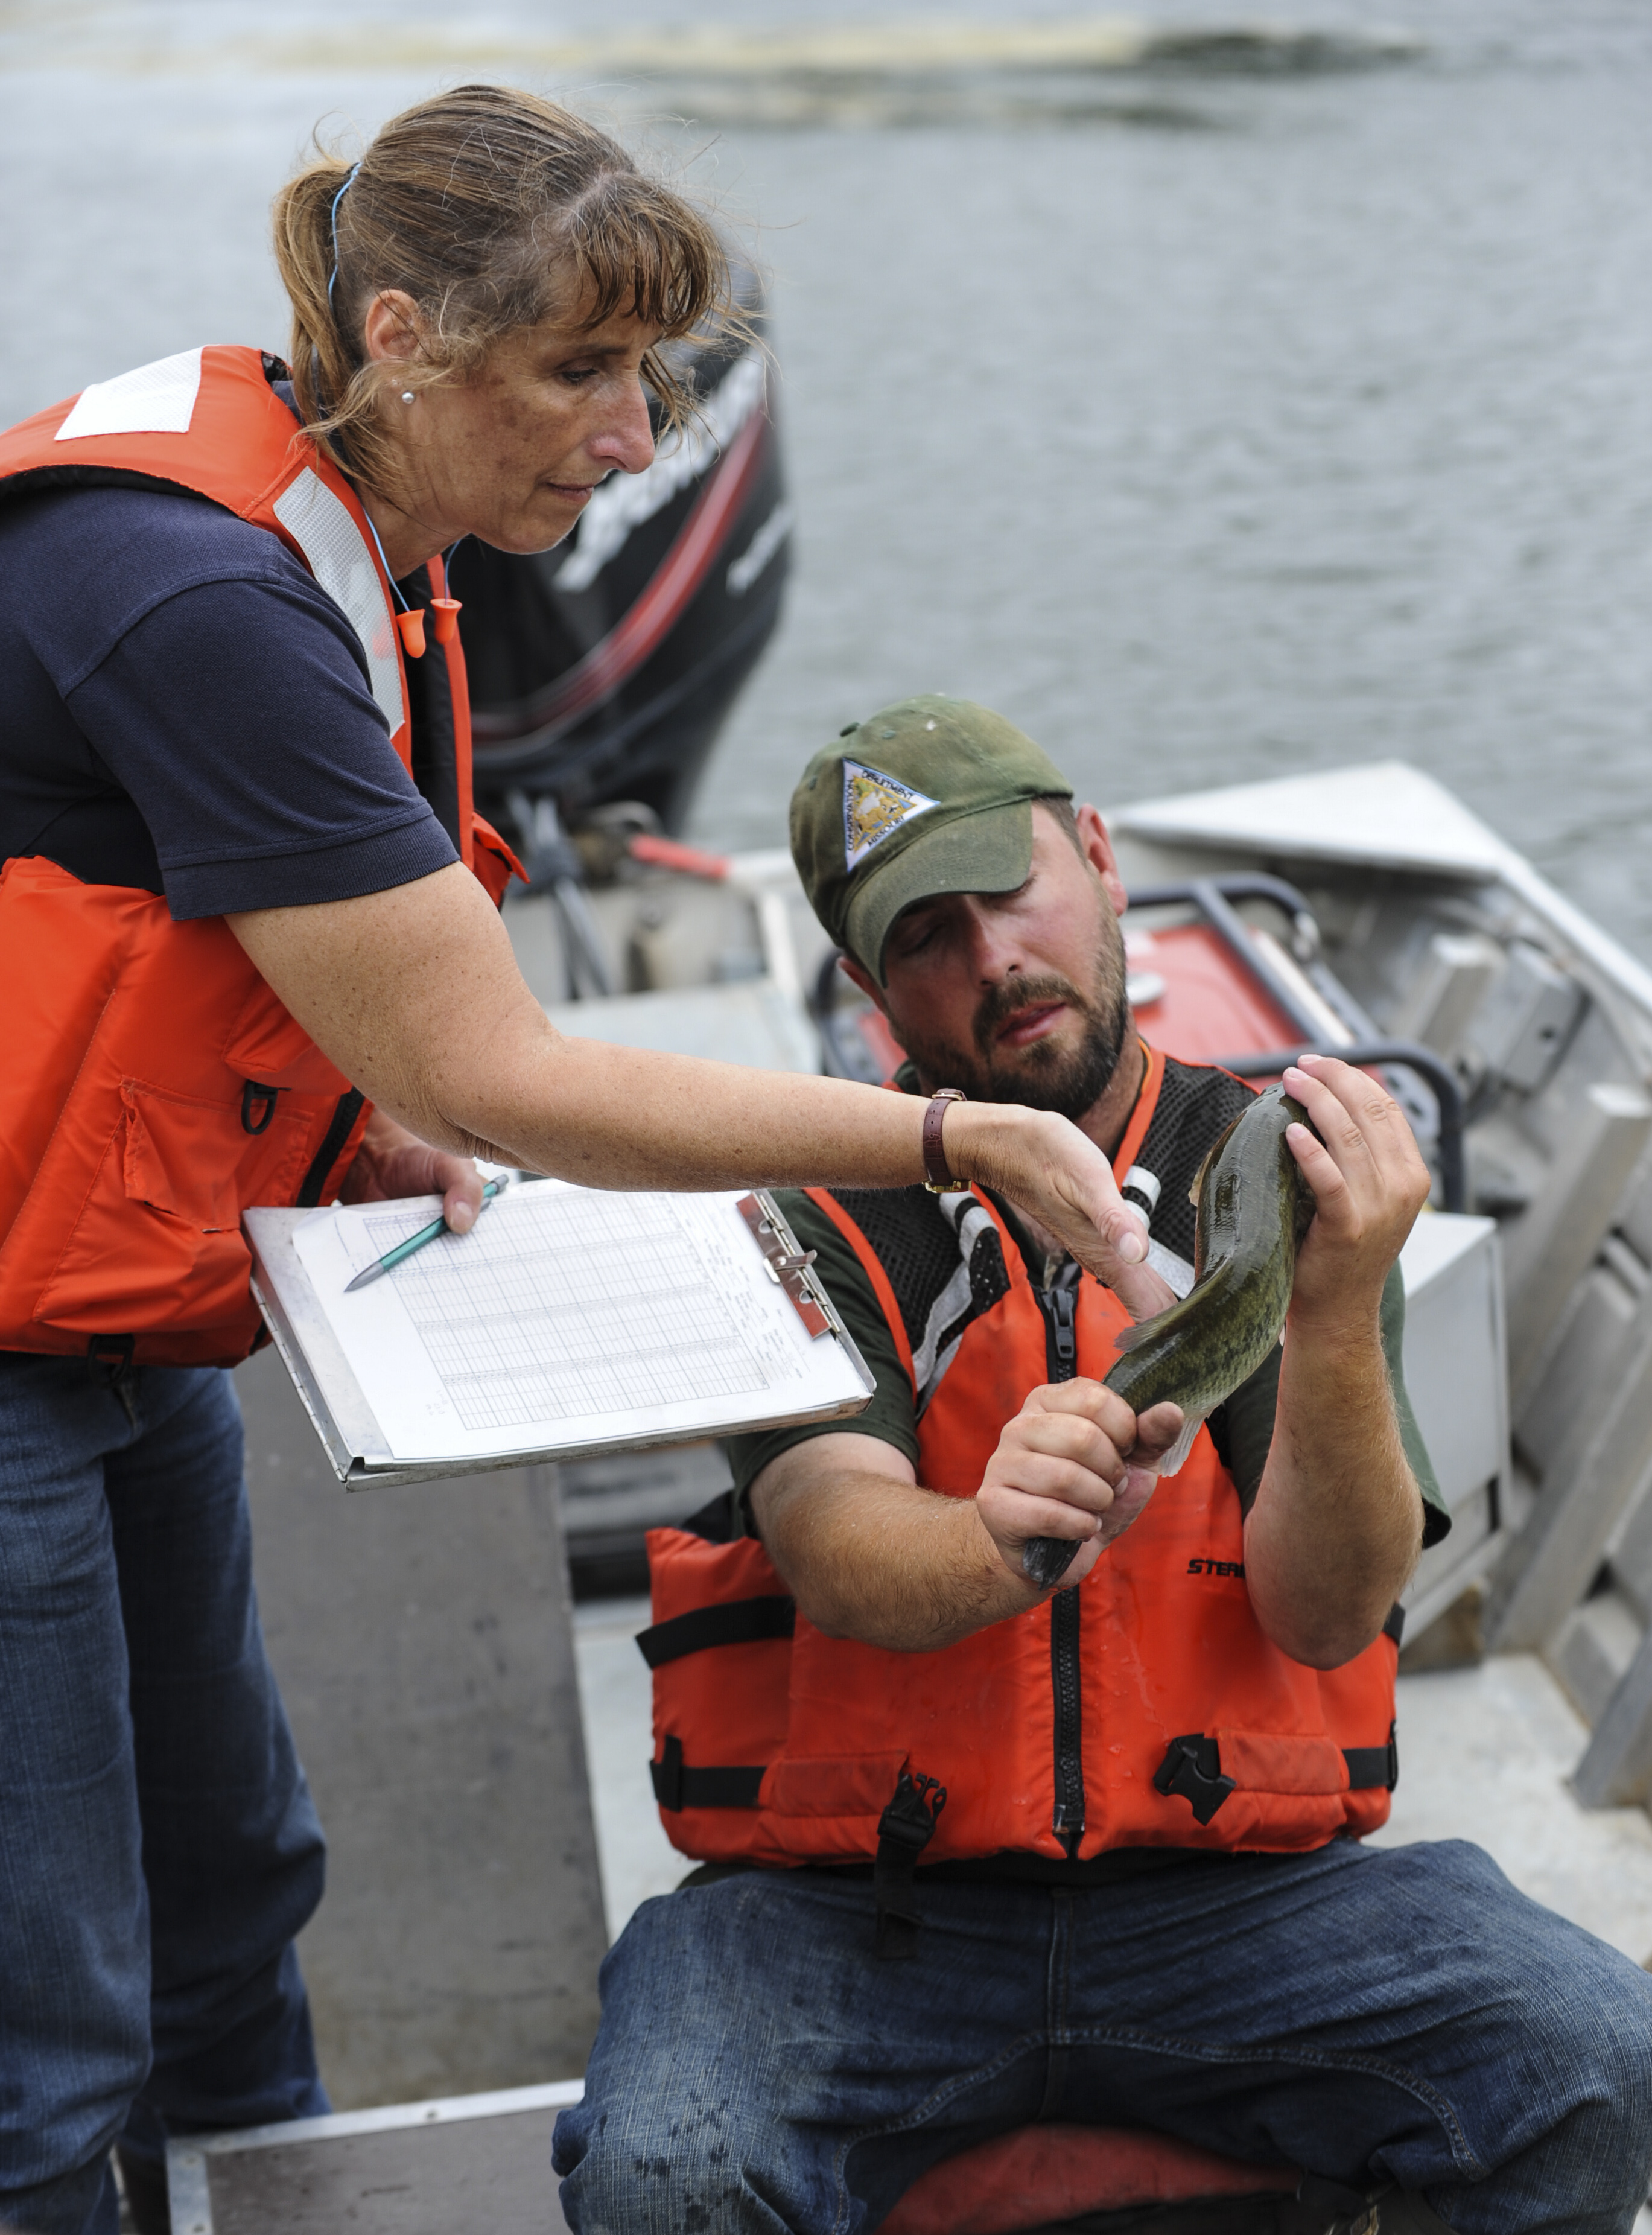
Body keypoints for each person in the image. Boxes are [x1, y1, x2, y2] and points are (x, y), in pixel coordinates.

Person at [0, 100, 1168, 2235]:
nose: (636, 440)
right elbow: (508, 1074)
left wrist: (360, 1108)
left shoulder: (349, 517)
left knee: (232, 1879)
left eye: (654, 378)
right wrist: (950, 1131)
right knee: (44, 2026)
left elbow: (180, 935)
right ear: (398, 337)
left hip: (102, 1308)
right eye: (579, 373)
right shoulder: (196, 590)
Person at [553, 697, 1652, 2234]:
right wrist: (991, 1535)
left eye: (1010, 891)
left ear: (1097, 856)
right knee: (658, 2169)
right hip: (862, 1917)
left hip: (1242, 1902)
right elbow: (828, 1536)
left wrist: (1336, 1308)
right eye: (926, 936)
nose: (994, 958)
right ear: (870, 992)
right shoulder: (808, 1210)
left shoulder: (1270, 1171)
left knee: (1600, 2058)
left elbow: (1329, 1614)